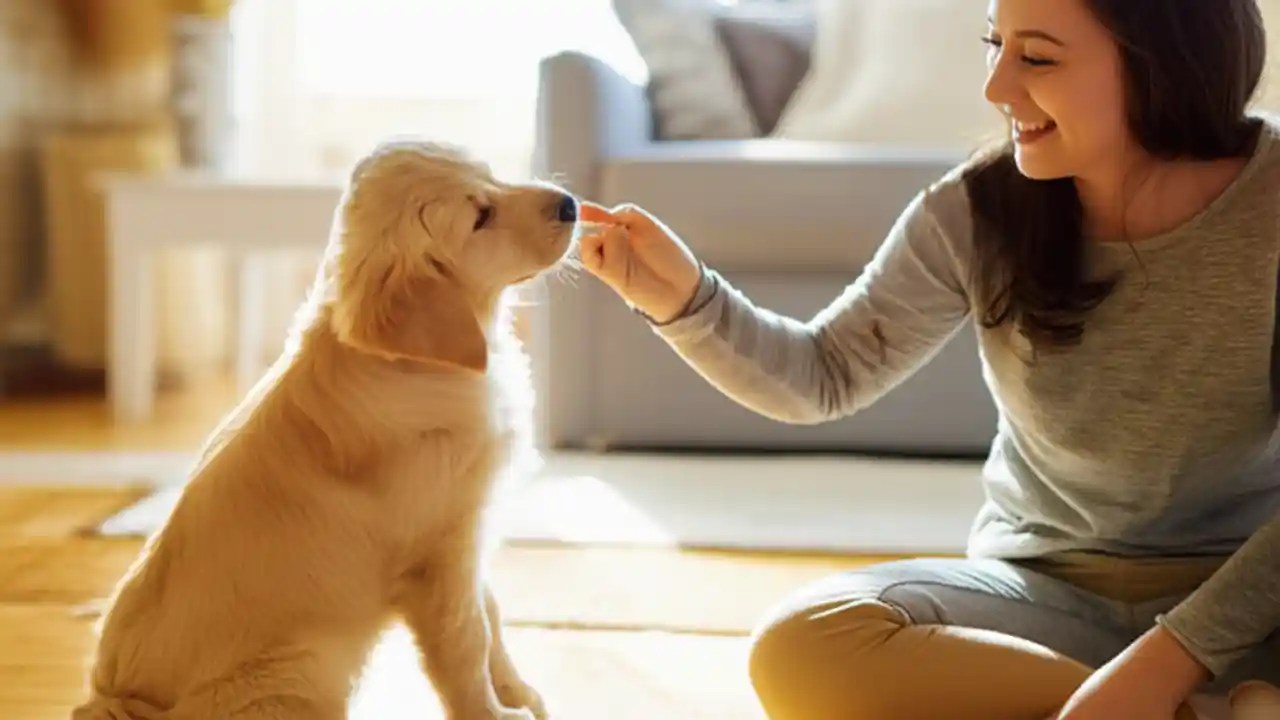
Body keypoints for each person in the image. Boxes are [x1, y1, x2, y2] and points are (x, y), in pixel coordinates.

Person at [577, 0, 1280, 718]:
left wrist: (1167, 662)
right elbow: (824, 373)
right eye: (993, 44)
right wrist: (686, 301)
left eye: (1035, 57)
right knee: (803, 644)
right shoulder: (975, 211)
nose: (996, 87)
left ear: (1161, 62)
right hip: (1044, 596)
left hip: (1249, 596)